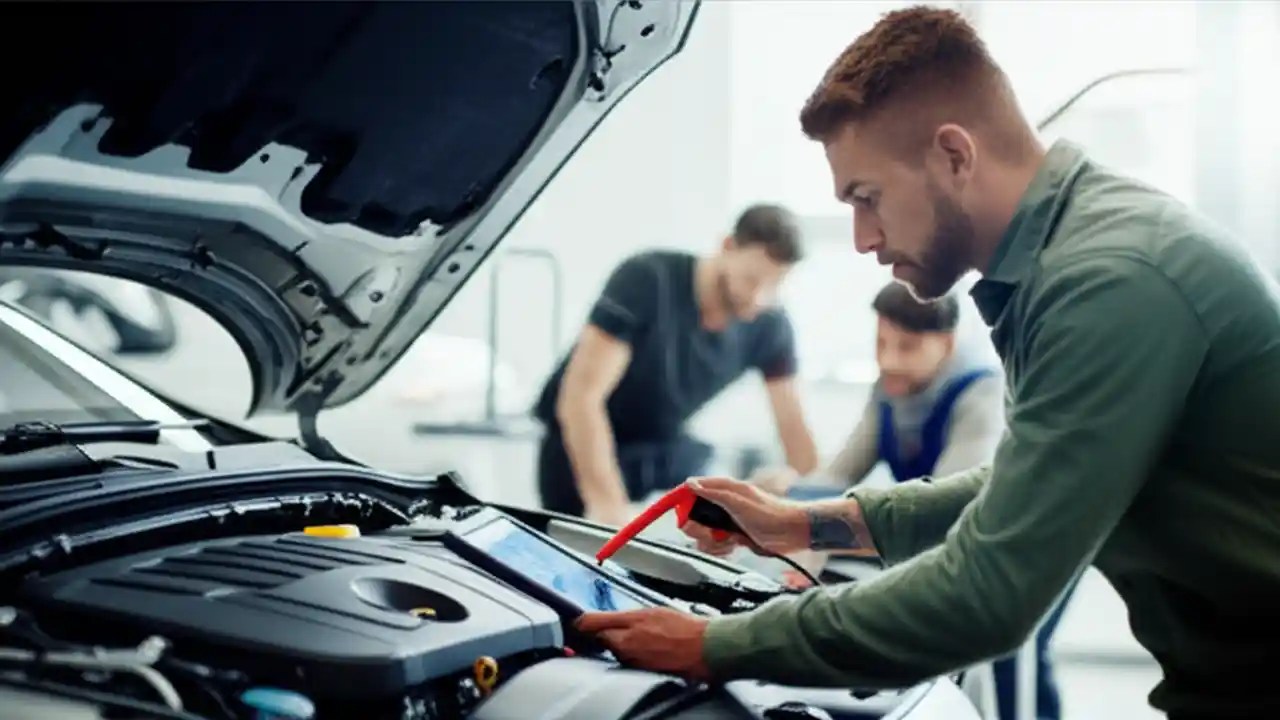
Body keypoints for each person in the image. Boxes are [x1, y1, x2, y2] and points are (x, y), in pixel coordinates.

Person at [573, 7, 1280, 720]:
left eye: (867, 198)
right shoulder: (1071, 258)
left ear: (953, 155)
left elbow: (989, 593)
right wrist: (805, 524)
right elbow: (1017, 486)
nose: (861, 238)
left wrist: (715, 644)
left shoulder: (1113, 280)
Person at [532, 204, 819, 526]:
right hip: (581, 453)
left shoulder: (771, 324)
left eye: (774, 287)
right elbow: (580, 399)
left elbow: (795, 432)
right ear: (727, 247)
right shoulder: (647, 279)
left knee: (706, 466)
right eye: (751, 280)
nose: (759, 299)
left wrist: (817, 512)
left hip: (660, 449)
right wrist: (608, 508)